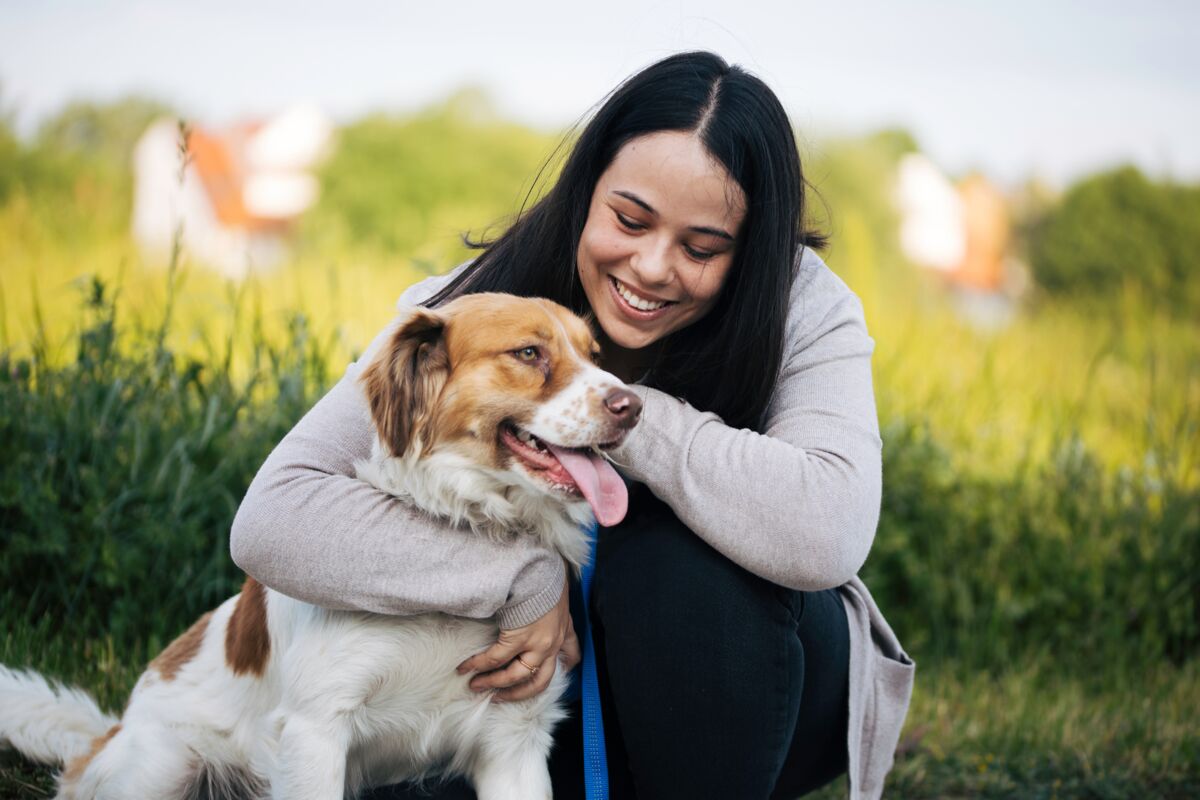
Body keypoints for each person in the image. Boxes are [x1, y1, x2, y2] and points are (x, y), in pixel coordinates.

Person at [230, 51, 914, 800]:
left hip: (756, 692)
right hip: (523, 700)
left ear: (751, 249)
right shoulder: (467, 308)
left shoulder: (805, 308)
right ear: (586, 191)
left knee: (675, 567)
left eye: (702, 248)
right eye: (629, 219)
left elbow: (827, 531)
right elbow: (275, 518)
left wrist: (619, 414)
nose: (652, 267)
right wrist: (523, 579)